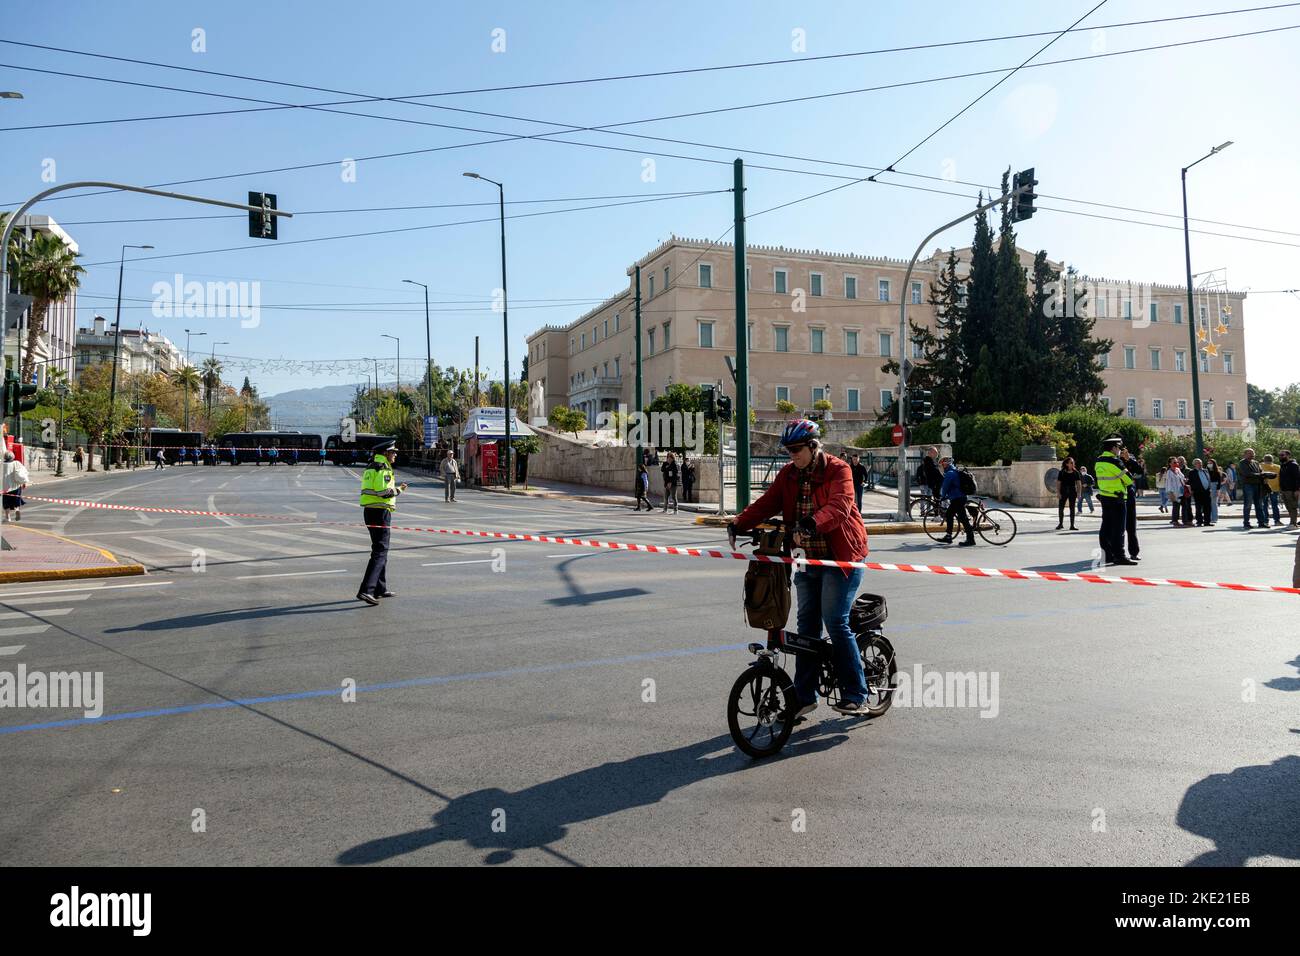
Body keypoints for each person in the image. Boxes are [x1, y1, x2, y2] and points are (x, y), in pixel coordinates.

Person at [728, 419, 871, 717]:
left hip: (841, 558)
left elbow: (841, 506)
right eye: (788, 449)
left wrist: (811, 523)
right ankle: (805, 697)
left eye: (797, 449)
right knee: (806, 628)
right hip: (806, 560)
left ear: (813, 445)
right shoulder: (788, 475)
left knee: (835, 621)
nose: (792, 454)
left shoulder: (838, 469)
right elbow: (767, 503)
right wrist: (739, 522)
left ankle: (857, 693)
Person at [357, 439, 407, 605]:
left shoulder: (371, 466)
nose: (395, 455)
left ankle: (380, 588)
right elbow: (383, 492)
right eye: (393, 452)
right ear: (385, 453)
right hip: (380, 511)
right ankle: (367, 590)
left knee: (380, 550)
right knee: (380, 551)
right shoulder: (383, 468)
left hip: (370, 511)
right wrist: (399, 490)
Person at [1095, 436, 1135, 565]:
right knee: (1118, 529)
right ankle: (1120, 556)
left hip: (1105, 497)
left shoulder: (1099, 460)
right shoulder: (1114, 461)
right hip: (1117, 498)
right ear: (1113, 448)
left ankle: (1107, 555)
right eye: (1118, 447)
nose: (1119, 450)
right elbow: (1129, 479)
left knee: (1106, 527)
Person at [938, 455, 975, 546]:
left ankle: (970, 539)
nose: (942, 467)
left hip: (957, 498)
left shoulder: (950, 473)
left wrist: (942, 496)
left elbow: (945, 487)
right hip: (959, 497)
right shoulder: (954, 471)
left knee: (963, 519)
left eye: (942, 465)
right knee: (949, 514)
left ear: (946, 464)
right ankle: (948, 536)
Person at [1119, 447, 1142, 560]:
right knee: (1119, 527)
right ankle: (1119, 552)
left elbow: (1140, 471)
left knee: (1131, 526)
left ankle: (1134, 552)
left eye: (1125, 451)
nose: (1123, 453)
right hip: (1118, 495)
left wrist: (1130, 460)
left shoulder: (1130, 460)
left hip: (1130, 494)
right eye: (1122, 451)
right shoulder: (1115, 461)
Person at [1238, 449, 1268, 529]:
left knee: (1259, 505)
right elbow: (1247, 474)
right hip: (1248, 485)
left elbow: (1261, 471)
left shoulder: (1256, 462)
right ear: (1244, 454)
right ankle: (1246, 523)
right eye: (1249, 453)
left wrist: (1265, 474)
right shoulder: (1242, 462)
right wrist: (1260, 474)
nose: (1252, 454)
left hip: (1257, 485)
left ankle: (1261, 522)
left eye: (1253, 453)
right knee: (1248, 505)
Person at [2, 451, 28, 522]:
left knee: (6, 502)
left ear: (5, 457)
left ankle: (8, 517)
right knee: (16, 500)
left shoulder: (2, 464)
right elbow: (23, 474)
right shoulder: (17, 463)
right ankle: (17, 510)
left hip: (5, 487)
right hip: (16, 486)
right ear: (13, 457)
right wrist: (24, 483)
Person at [1056, 457, 1081, 530]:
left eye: (1073, 462)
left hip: (1072, 491)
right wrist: (1058, 492)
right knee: (1061, 508)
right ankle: (1060, 524)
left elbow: (1079, 483)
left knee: (1072, 508)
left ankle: (1072, 525)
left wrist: (1079, 493)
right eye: (1071, 462)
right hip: (1063, 491)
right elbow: (1058, 483)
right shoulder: (1062, 472)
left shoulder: (1076, 472)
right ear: (1066, 464)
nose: (1073, 464)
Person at [1278, 449, 1299, 528]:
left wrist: (1297, 490)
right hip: (1284, 490)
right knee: (1288, 507)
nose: (1281, 457)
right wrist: (1281, 489)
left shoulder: (1293, 465)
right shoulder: (1283, 465)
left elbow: (1297, 478)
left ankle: (1293, 523)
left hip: (1291, 490)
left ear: (1288, 455)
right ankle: (1292, 522)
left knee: (1293, 507)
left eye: (1282, 455)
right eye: (1280, 455)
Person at [1189, 458, 1212, 527]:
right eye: (1198, 463)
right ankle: (1199, 521)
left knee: (1208, 507)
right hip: (1198, 492)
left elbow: (1209, 479)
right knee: (1198, 507)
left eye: (1200, 462)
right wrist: (1192, 491)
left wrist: (1210, 488)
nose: (1200, 464)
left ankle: (1207, 522)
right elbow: (1191, 482)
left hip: (1206, 491)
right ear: (1194, 464)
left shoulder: (1206, 470)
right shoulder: (1192, 472)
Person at [1163, 457, 1186, 526]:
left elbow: (1182, 478)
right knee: (1176, 506)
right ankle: (1175, 521)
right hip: (1174, 492)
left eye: (1177, 462)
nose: (1176, 464)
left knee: (1185, 505)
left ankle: (1185, 520)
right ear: (1170, 464)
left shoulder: (1178, 470)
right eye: (1174, 462)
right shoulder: (1169, 472)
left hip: (1181, 491)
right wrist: (1170, 493)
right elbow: (1168, 483)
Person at [1261, 454, 1283, 526]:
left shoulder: (1260, 466)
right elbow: (1280, 478)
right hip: (1275, 488)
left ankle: (1265, 521)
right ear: (1272, 459)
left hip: (1264, 488)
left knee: (1264, 505)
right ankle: (1277, 521)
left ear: (1264, 459)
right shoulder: (1278, 467)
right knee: (1275, 505)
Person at [1206, 458, 1223, 525]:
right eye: (1208, 463)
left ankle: (1214, 518)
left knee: (1214, 503)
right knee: (1208, 503)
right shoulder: (1206, 471)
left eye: (1211, 463)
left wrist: (1218, 490)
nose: (1209, 464)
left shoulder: (1217, 471)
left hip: (1214, 486)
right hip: (1207, 486)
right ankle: (1208, 518)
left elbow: (1219, 482)